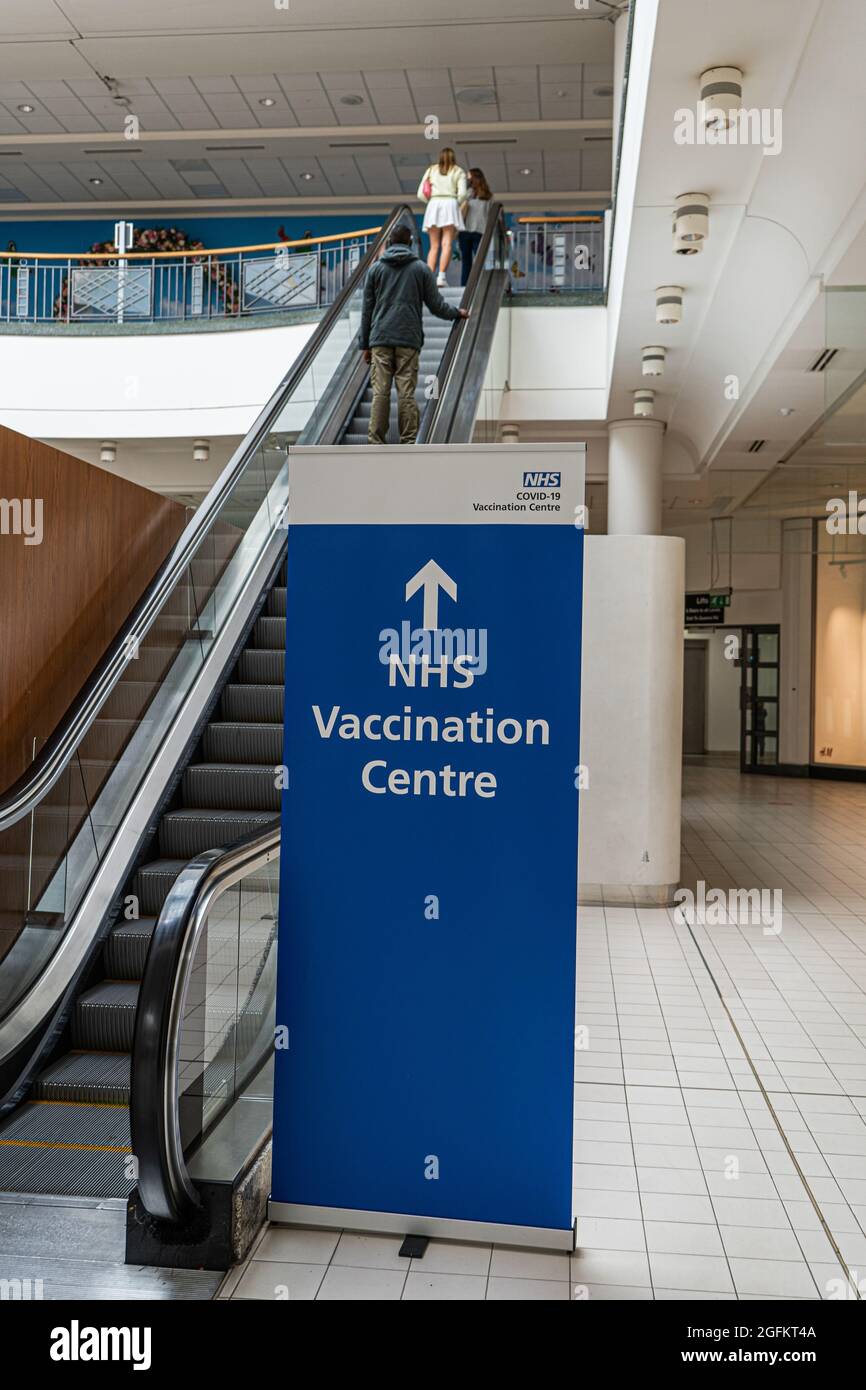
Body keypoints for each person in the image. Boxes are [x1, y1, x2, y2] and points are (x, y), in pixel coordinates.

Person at [359, 223, 469, 445]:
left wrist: (365, 344)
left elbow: (367, 310)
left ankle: (375, 440)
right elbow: (436, 305)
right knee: (406, 391)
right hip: (408, 339)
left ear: (389, 243)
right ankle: (409, 440)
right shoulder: (421, 269)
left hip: (380, 338)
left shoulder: (376, 269)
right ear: (410, 244)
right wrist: (456, 313)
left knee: (380, 391)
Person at [417, 147, 468, 286]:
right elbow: (463, 194)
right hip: (450, 203)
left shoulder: (431, 170)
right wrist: (455, 203)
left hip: (434, 204)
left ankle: (427, 279)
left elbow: (420, 193)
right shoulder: (458, 171)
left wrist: (431, 202)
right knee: (447, 243)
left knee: (434, 246)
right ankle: (442, 277)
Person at [458, 168, 492, 286]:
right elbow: (460, 207)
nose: (468, 179)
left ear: (476, 177)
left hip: (480, 231)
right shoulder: (468, 193)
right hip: (465, 231)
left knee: (480, 260)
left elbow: (489, 214)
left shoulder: (488, 196)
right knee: (466, 260)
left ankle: (479, 284)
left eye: (470, 176)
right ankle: (465, 285)